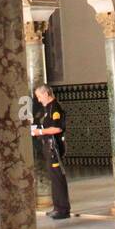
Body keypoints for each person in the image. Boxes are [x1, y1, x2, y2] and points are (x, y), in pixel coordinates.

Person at [32, 84, 70, 219]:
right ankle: (57, 207)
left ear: (46, 94)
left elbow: (57, 128)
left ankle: (63, 209)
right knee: (54, 178)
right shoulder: (48, 108)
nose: (38, 99)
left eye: (39, 96)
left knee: (58, 178)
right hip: (49, 147)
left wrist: (40, 131)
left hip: (55, 148)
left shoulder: (55, 108)